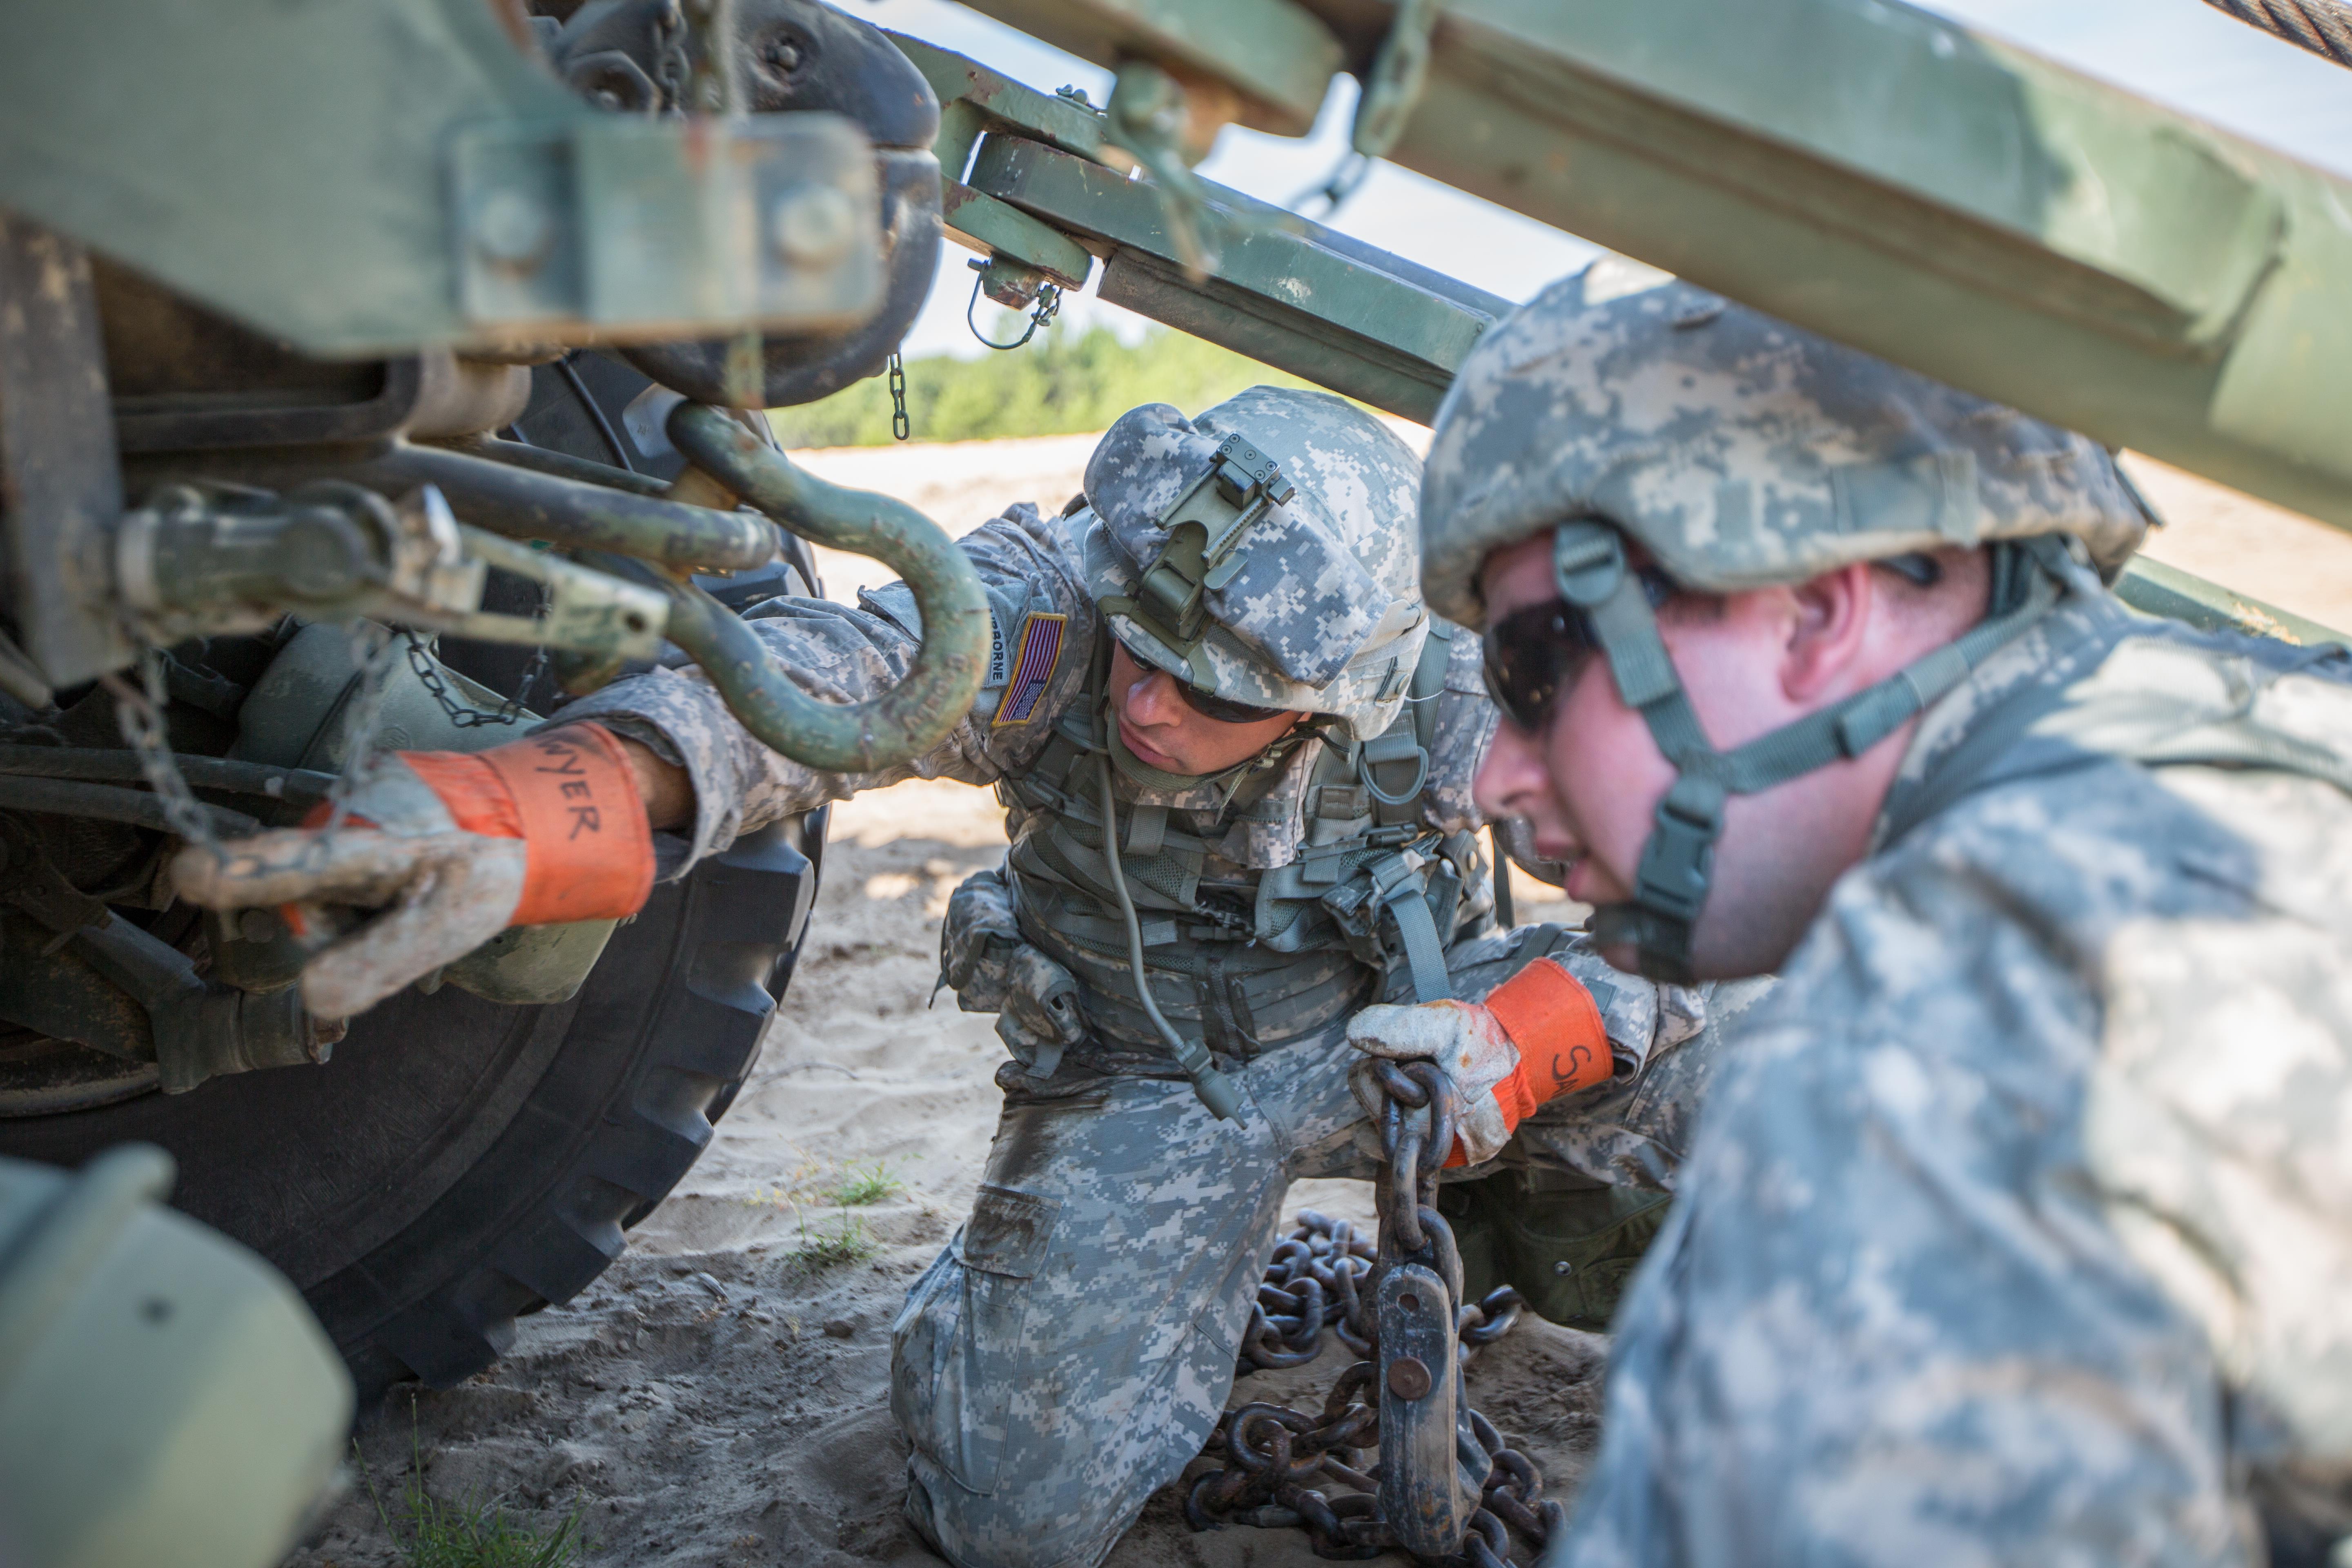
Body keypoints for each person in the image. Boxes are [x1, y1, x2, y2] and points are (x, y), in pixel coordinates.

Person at [171, 384, 1764, 1568]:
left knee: (1728, 1086)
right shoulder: (1049, 612)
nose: (1143, 705)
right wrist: (573, 787)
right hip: (1156, 1079)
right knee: (1012, 1512)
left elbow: (1719, 889)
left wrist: (1547, 1026)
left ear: (1347, 695)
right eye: (1137, 645)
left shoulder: (1469, 673)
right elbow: (821, 685)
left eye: (1208, 692)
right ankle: (1019, 1289)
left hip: (1431, 1048)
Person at [1381, 254, 2352, 1564]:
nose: (1496, 771)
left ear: (1816, 609)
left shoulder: (1944, 1032)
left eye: (1532, 664)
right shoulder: (2281, 741)